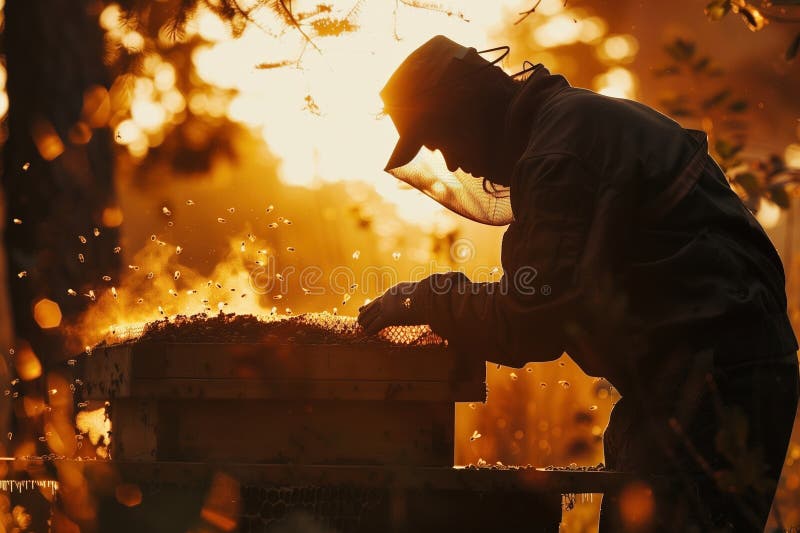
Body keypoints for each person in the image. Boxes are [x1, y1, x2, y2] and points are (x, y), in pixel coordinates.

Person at [357, 35, 800, 532]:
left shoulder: (560, 153)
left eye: (444, 139)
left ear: (469, 108)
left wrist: (430, 297)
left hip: (713, 384)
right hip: (694, 378)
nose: (454, 165)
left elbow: (531, 318)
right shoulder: (570, 123)